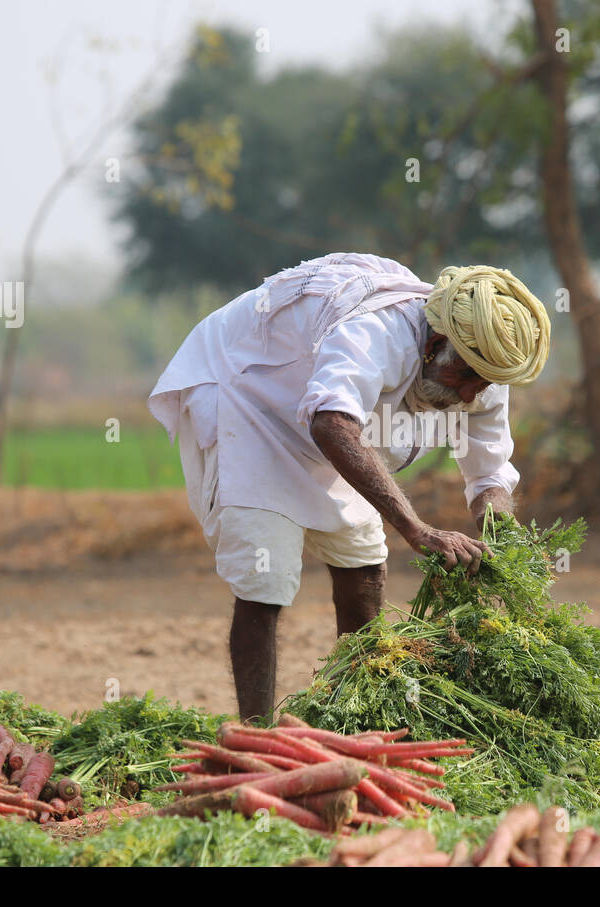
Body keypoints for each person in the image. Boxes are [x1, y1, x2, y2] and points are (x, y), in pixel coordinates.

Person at [149, 252, 550, 720]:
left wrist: (502, 537)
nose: (468, 396)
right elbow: (333, 424)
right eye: (463, 377)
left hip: (327, 423)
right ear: (434, 343)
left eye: (480, 385)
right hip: (250, 401)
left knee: (363, 566)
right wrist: (415, 528)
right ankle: (257, 744)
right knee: (266, 581)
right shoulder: (377, 333)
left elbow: (489, 473)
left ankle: (355, 724)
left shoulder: (484, 369)